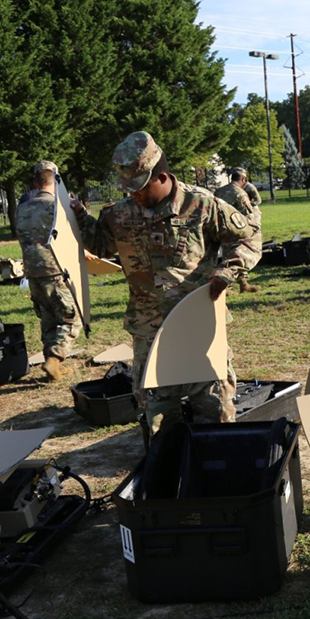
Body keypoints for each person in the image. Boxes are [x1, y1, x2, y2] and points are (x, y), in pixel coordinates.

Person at [71, 131, 252, 438]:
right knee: (156, 416)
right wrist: (78, 215)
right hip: (148, 330)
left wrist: (226, 272)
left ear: (162, 176)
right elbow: (100, 245)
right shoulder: (119, 214)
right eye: (128, 189)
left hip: (198, 324)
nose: (134, 195)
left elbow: (246, 238)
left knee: (214, 408)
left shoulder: (202, 204)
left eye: (139, 188)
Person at [16, 161, 82, 381]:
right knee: (71, 318)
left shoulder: (22, 208)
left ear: (35, 182)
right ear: (57, 181)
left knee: (48, 318)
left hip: (32, 270)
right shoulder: (58, 207)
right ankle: (55, 359)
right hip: (55, 269)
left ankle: (51, 364)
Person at [214, 167, 262, 292]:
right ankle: (232, 284)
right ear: (243, 179)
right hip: (236, 228)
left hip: (219, 227)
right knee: (239, 254)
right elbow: (248, 214)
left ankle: (238, 284)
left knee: (225, 253)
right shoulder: (239, 193)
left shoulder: (219, 191)